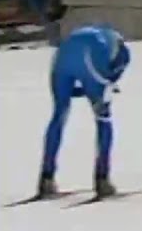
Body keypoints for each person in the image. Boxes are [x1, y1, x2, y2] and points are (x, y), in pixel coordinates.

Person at [38, 25, 132, 199]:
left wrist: (78, 91)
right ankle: (102, 180)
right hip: (93, 54)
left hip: (64, 55)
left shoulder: (103, 35)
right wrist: (103, 89)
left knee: (59, 114)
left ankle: (46, 178)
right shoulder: (123, 51)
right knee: (103, 118)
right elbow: (107, 77)